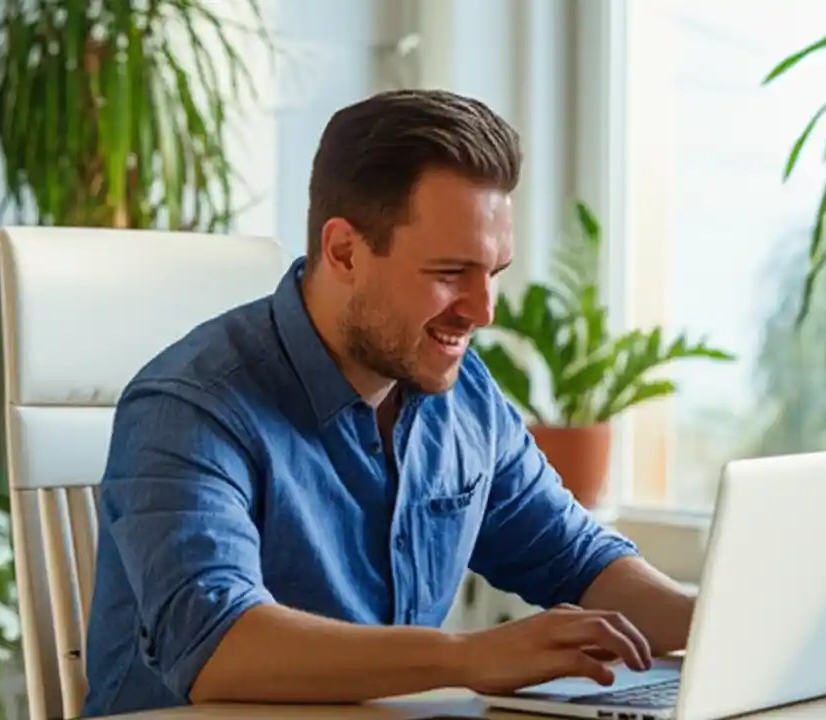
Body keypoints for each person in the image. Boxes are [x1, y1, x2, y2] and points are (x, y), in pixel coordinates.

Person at [81, 88, 696, 717]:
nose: (482, 311)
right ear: (344, 251)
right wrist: (470, 657)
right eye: (450, 273)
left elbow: (578, 562)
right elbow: (215, 647)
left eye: (494, 272)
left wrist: (716, 625)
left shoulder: (463, 398)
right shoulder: (191, 406)